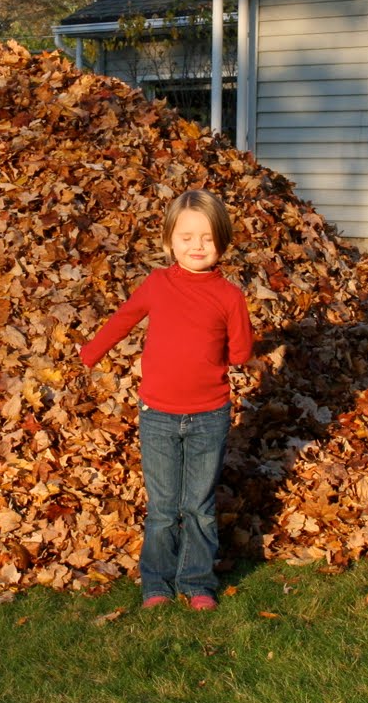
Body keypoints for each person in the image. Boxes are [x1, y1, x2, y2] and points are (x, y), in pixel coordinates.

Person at [79, 189, 254, 611]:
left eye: (207, 239)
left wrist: (235, 349)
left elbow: (242, 352)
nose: (197, 246)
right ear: (169, 241)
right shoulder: (157, 285)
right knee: (162, 506)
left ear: (222, 242)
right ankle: (155, 583)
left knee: (198, 505)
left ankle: (197, 582)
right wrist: (91, 351)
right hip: (157, 413)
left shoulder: (230, 297)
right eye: (187, 237)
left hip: (209, 415)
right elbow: (123, 319)